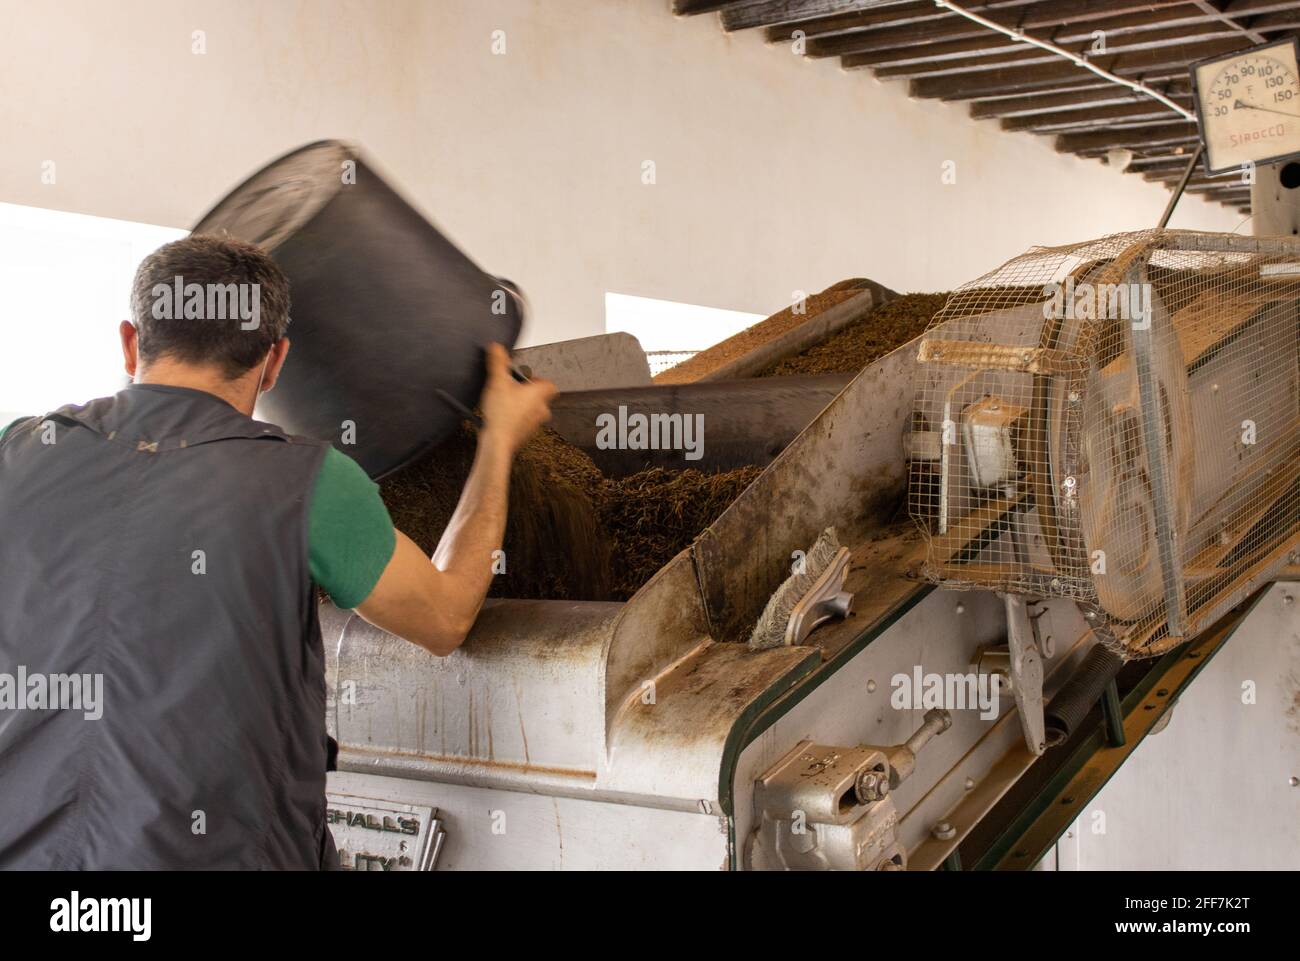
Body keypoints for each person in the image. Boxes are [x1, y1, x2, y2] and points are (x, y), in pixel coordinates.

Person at [0, 234, 555, 869]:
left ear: (131, 342)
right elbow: (445, 618)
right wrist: (499, 441)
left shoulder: (16, 450)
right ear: (275, 361)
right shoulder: (306, 481)